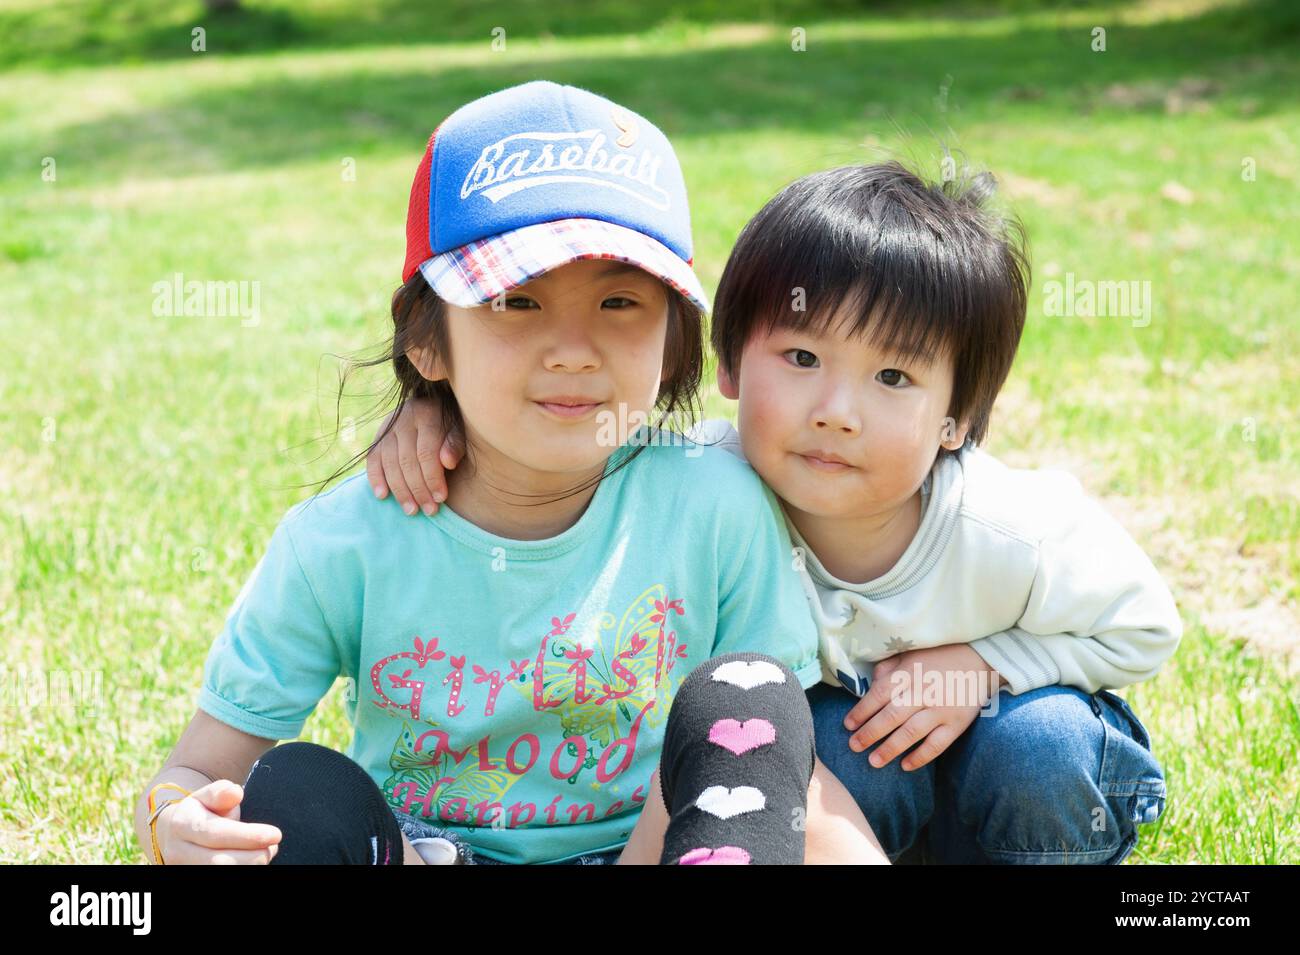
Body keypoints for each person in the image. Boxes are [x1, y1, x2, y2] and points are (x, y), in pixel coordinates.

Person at [132, 80, 887, 866]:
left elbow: (782, 773)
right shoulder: (342, 544)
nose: (572, 348)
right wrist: (179, 829)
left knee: (749, 695)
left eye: (621, 300)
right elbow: (194, 771)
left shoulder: (715, 501)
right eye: (516, 302)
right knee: (298, 791)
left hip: (654, 851)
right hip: (427, 855)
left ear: (673, 340)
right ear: (427, 341)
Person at [370, 158, 1183, 864]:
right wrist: (441, 415)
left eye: (893, 378)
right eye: (800, 357)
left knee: (1041, 744)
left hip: (1018, 760)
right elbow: (571, 442)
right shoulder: (697, 490)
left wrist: (979, 668)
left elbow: (1146, 624)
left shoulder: (1006, 529)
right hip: (869, 773)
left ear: (960, 419)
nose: (835, 410)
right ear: (728, 363)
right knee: (804, 744)